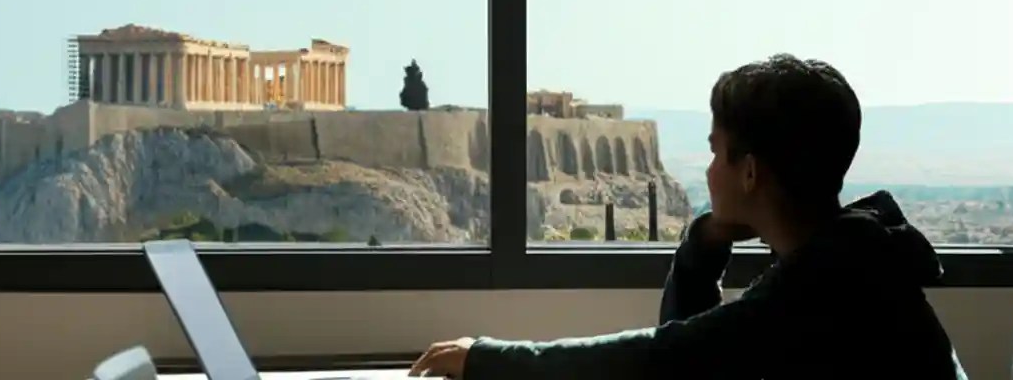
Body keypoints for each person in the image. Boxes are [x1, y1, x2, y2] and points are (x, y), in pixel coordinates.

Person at [408, 54, 967, 379]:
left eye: (714, 152)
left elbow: (660, 359)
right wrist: (704, 244)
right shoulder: (849, 259)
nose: (707, 172)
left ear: (749, 171)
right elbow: (695, 359)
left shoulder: (825, 286)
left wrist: (488, 360)